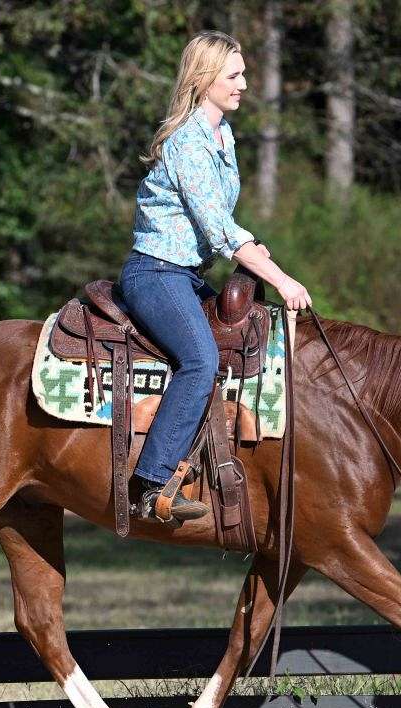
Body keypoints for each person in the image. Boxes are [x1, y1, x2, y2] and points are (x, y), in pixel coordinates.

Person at [119, 30, 313, 523]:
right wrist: (282, 278)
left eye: (243, 73)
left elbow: (218, 228)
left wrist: (251, 252)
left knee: (250, 338)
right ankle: (150, 483)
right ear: (205, 79)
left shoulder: (222, 136)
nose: (244, 83)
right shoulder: (188, 142)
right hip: (157, 273)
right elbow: (220, 229)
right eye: (234, 75)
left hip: (186, 274)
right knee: (201, 359)